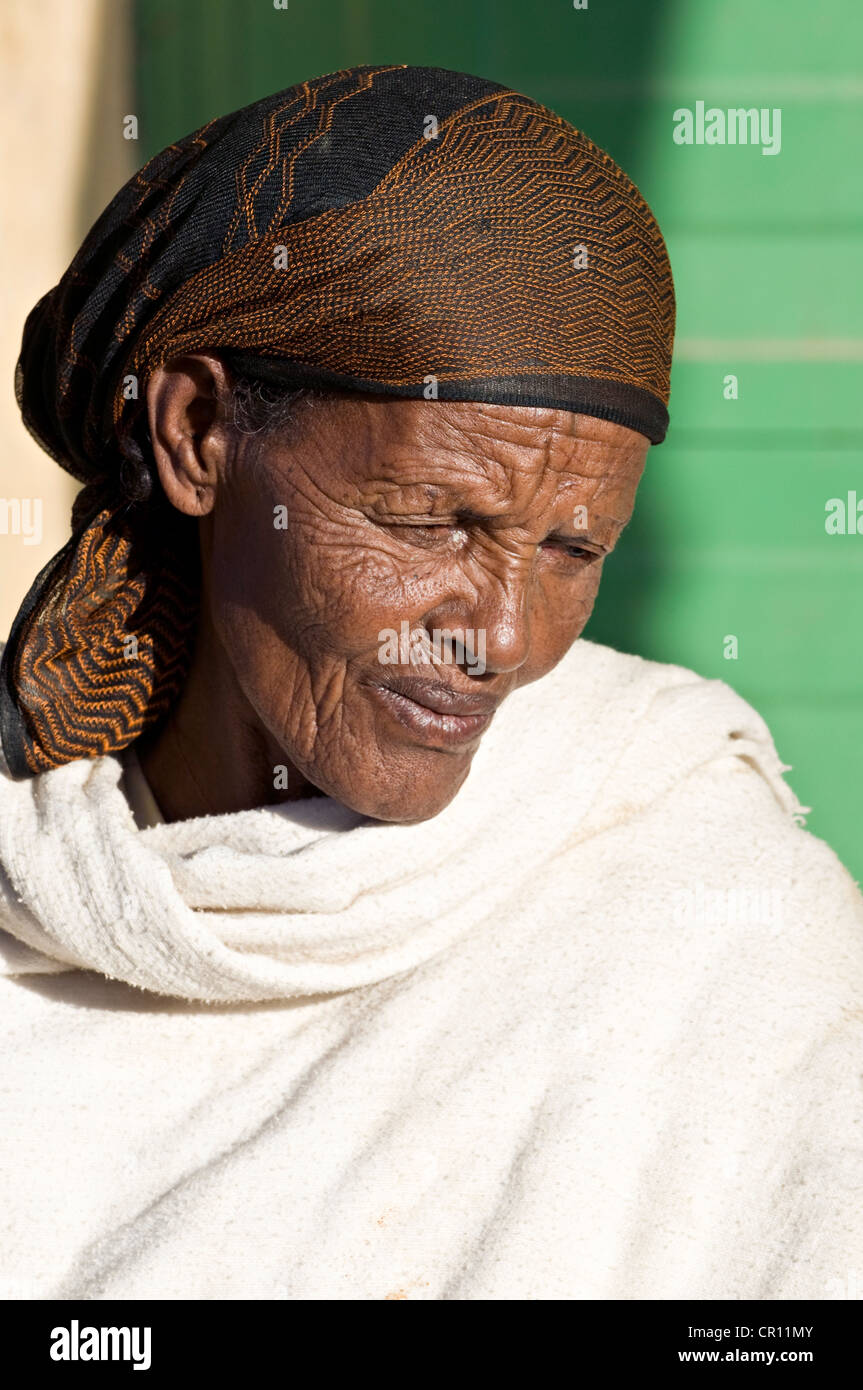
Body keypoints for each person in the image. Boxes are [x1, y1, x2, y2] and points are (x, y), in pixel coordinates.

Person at [0, 64, 860, 1301]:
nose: (503, 635)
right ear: (198, 433)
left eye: (573, 551)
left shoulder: (719, 937)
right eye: (428, 521)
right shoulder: (41, 895)